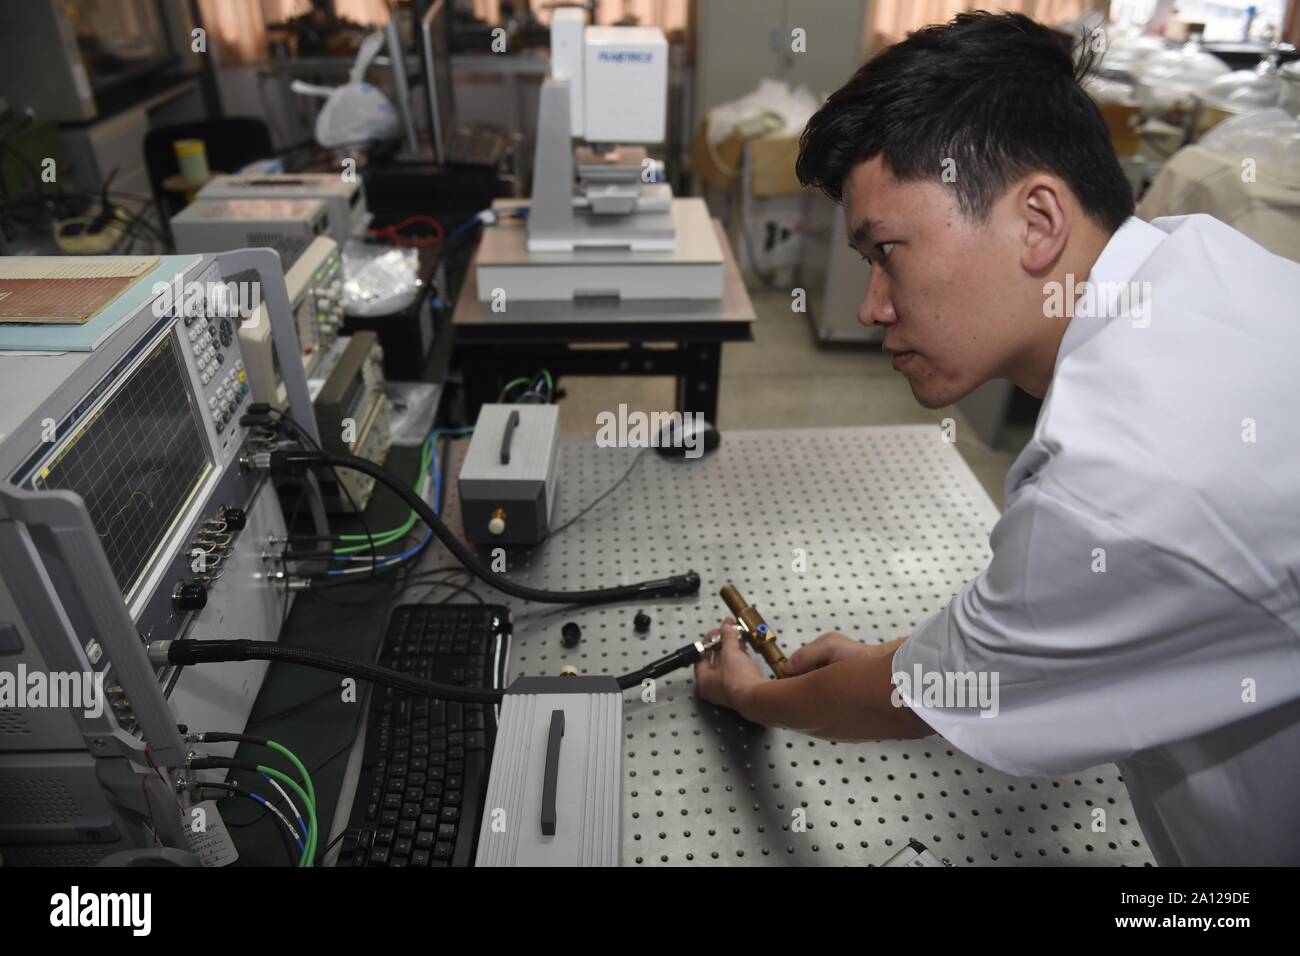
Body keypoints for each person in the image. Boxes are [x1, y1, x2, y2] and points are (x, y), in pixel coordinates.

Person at [693, 11, 1300, 866]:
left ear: (1038, 221)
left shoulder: (1118, 481)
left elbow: (916, 698)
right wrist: (882, 657)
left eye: (888, 250)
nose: (871, 306)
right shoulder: (1195, 258)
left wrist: (753, 697)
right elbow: (1001, 637)